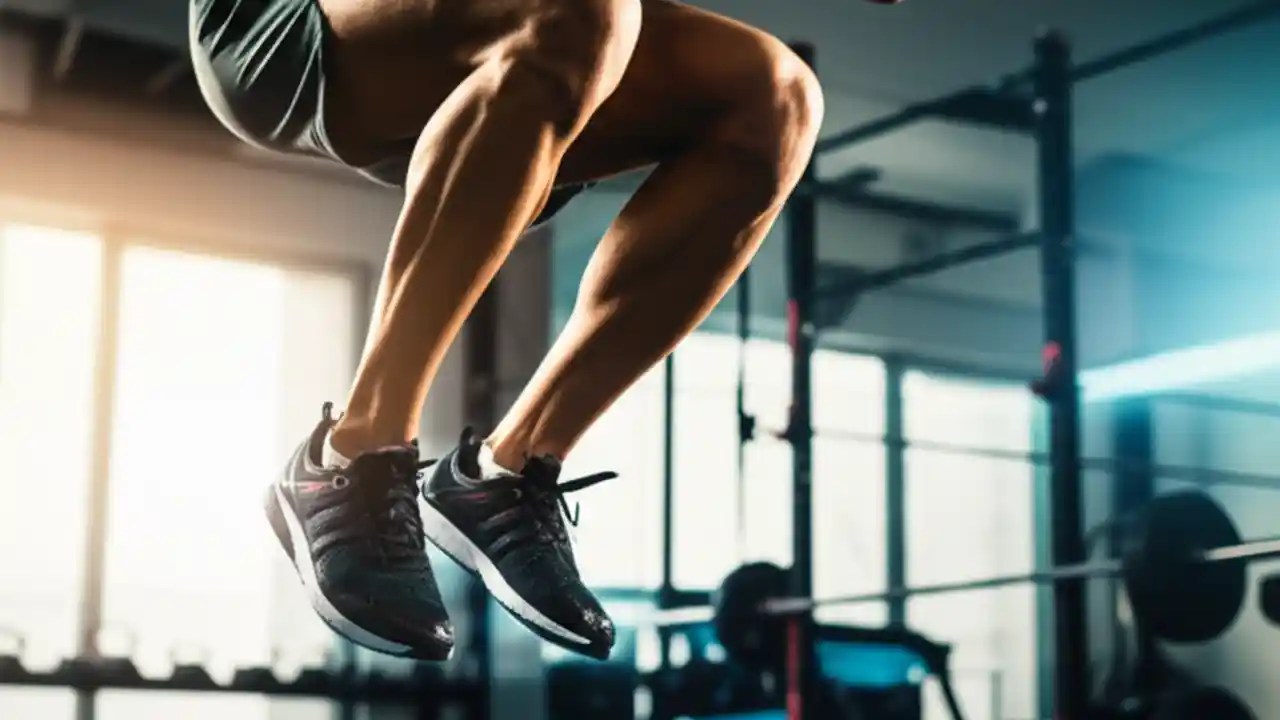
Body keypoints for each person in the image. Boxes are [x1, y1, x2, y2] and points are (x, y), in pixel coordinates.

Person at [191, 0, 822, 661]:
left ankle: (504, 474)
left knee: (778, 98)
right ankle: (354, 451)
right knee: (585, 10)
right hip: (287, 22)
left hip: (532, 55)